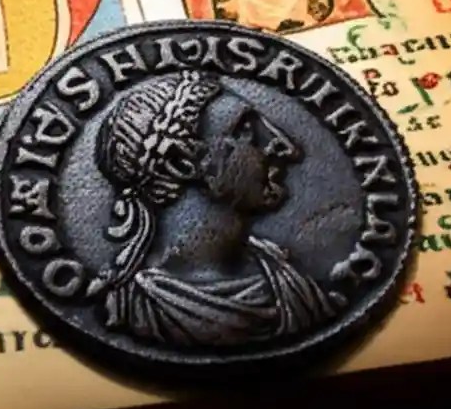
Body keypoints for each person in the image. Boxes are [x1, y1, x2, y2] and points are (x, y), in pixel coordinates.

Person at [89, 70, 340, 348]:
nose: (286, 147)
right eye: (245, 129)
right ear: (183, 163)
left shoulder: (291, 281)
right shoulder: (132, 310)